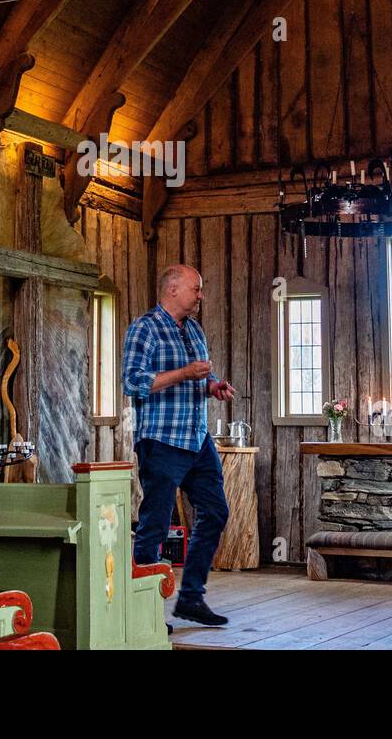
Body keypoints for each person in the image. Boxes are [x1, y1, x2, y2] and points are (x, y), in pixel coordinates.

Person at [122, 263, 235, 626]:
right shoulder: (145, 329)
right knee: (154, 525)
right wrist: (186, 374)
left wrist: (212, 386)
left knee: (216, 512)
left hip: (196, 438)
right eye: (195, 289)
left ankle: (190, 597)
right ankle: (143, 610)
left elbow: (201, 375)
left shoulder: (195, 330)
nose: (200, 295)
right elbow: (134, 382)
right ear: (172, 289)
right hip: (161, 439)